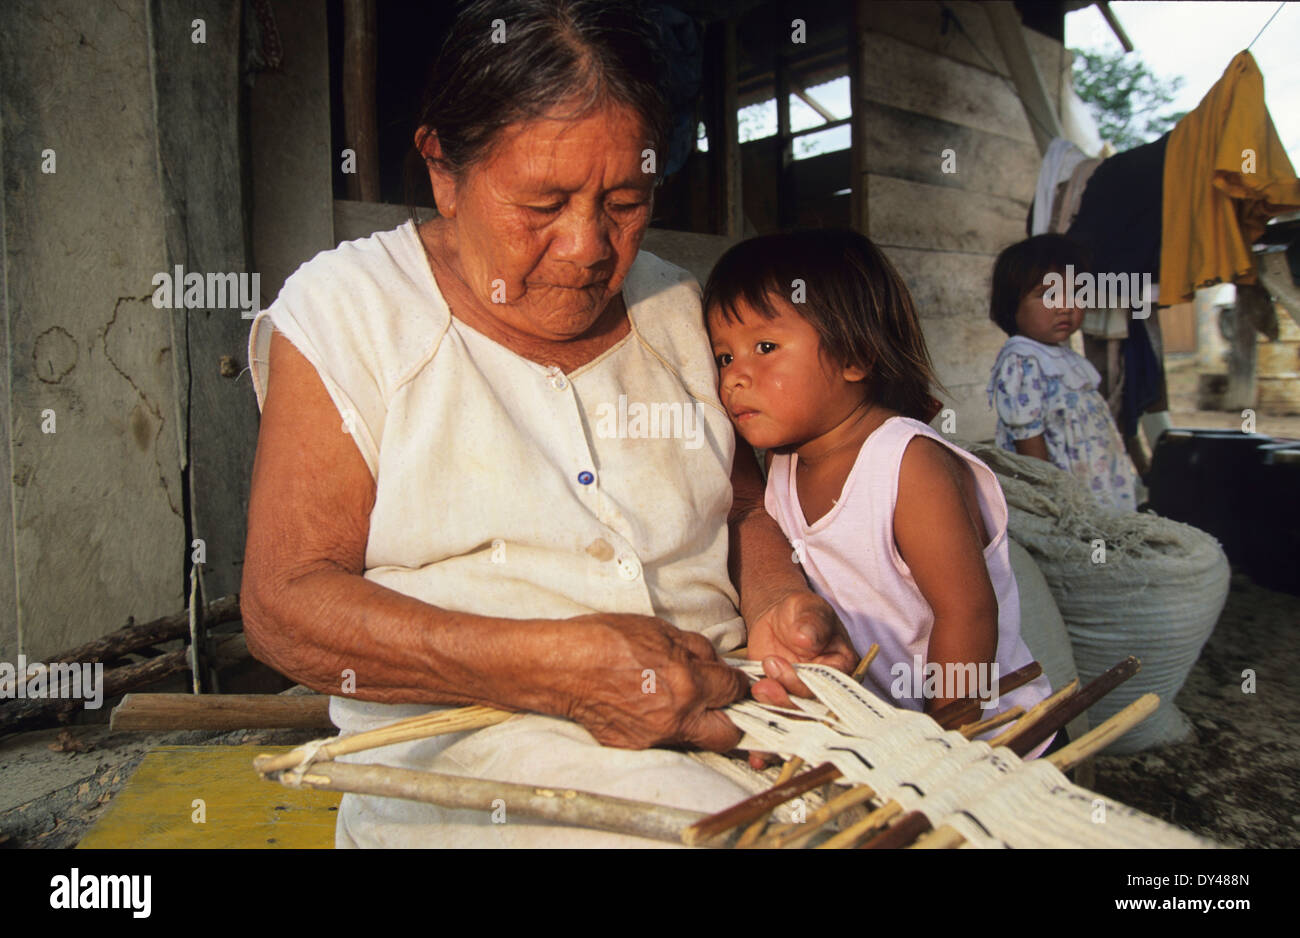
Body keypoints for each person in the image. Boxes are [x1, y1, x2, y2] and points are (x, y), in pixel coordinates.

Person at [241, 0, 855, 848]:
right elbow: (286, 602)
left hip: (729, 716)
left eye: (625, 201)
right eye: (542, 202)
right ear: (443, 172)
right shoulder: (350, 311)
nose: (587, 246)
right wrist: (559, 670)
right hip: (474, 750)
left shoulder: (680, 308)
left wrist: (781, 604)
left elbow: (742, 510)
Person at [703, 229, 1053, 748]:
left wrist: (952, 741)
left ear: (856, 356)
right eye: (725, 357)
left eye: (766, 347)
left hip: (993, 740)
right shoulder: (781, 467)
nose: (734, 377)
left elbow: (968, 613)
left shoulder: (906, 464)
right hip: (891, 741)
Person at [987, 235, 1139, 512]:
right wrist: (1050, 499)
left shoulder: (1066, 356)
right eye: (1049, 295)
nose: (1066, 306)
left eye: (1076, 293)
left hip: (1093, 477)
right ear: (1012, 303)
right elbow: (1028, 438)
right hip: (1062, 491)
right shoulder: (1022, 360)